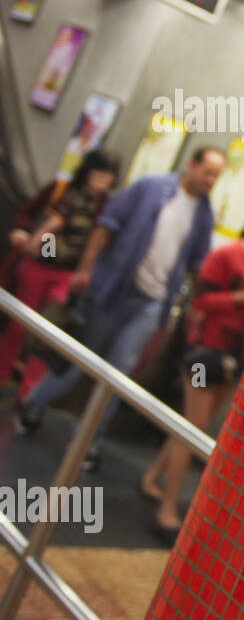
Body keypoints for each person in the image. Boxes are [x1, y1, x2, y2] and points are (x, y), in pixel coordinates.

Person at [17, 146, 226, 471]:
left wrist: (194, 307)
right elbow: (106, 226)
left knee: (119, 373)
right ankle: (35, 404)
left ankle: (87, 440)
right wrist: (86, 270)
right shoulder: (151, 187)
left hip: (152, 301)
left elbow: (195, 264)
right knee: (82, 358)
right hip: (115, 289)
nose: (211, 180)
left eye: (217, 175)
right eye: (208, 171)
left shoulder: (203, 214)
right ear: (192, 165)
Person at [140, 202, 244, 542]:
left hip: (237, 356)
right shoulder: (225, 256)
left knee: (195, 422)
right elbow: (202, 302)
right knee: (192, 427)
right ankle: (168, 507)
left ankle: (152, 477)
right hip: (202, 354)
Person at [0, 150, 120, 396]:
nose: (102, 180)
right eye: (99, 173)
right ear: (87, 171)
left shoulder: (104, 206)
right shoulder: (61, 189)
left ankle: (28, 391)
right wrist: (22, 231)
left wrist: (87, 271)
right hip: (39, 262)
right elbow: (29, 211)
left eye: (108, 175)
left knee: (48, 331)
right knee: (18, 325)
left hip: (67, 272)